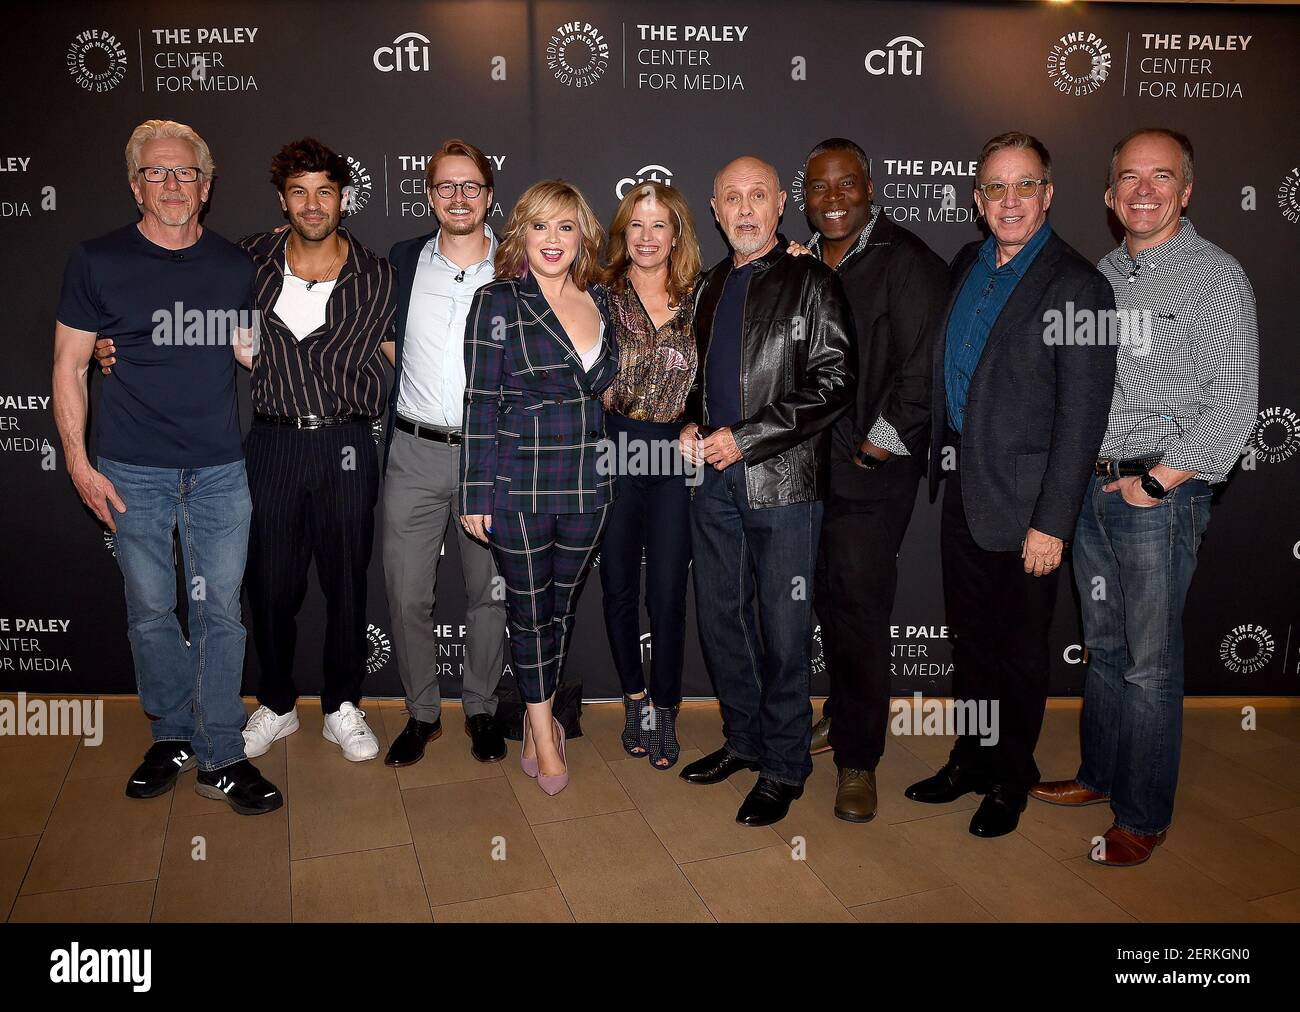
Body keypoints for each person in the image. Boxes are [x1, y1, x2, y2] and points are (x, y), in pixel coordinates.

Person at [97, 138, 398, 763]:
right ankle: (279, 704)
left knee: (346, 583)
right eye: (299, 192)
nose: (312, 205)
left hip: (347, 441)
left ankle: (344, 705)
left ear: (343, 198)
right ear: (281, 199)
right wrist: (112, 345)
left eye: (324, 191)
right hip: (271, 441)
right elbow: (182, 318)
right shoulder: (247, 261)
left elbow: (408, 357)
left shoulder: (378, 273)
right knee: (269, 585)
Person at [1031, 128, 1260, 866]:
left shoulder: (1216, 277)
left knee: (1149, 664)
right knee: (1104, 650)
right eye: (1129, 177)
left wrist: (1160, 481)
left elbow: (1233, 406)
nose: (1144, 189)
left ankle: (1143, 815)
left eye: (1162, 177)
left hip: (1158, 497)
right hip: (1093, 489)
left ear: (1186, 191)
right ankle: (1099, 776)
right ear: (1108, 195)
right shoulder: (1100, 273)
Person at [54, 119, 281, 814]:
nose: (173, 184)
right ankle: (172, 735)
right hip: (130, 470)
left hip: (217, 470)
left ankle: (220, 753)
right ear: (135, 184)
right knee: (152, 610)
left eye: (186, 173)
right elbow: (69, 365)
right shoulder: (96, 260)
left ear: (207, 187)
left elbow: (249, 350)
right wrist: (78, 464)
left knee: (220, 614)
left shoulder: (233, 267)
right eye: (157, 172)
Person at [904, 131, 1118, 838]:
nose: (1010, 200)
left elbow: (1082, 421)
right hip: (965, 484)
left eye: (1024, 185)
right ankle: (969, 756)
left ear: (1048, 195)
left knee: (1022, 651)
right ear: (976, 199)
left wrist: (1052, 522)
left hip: (1029, 503)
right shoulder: (969, 261)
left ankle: (1010, 776)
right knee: (971, 642)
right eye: (995, 187)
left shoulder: (1080, 286)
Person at [678, 156, 855, 828]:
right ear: (716, 209)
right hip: (713, 483)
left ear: (780, 203)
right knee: (721, 619)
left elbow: (836, 384)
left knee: (783, 631)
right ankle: (745, 742)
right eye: (732, 198)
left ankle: (785, 765)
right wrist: (692, 422)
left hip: (784, 484)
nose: (745, 209)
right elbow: (701, 380)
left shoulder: (812, 279)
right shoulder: (710, 284)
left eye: (758, 195)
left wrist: (747, 438)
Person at [802, 138, 948, 823]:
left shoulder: (907, 260)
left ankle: (860, 760)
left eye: (845, 185)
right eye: (819, 187)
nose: (832, 199)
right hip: (810, 468)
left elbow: (925, 369)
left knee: (859, 611)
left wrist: (878, 445)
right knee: (830, 601)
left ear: (869, 185)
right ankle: (841, 713)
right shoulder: (799, 262)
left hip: (870, 469)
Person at [459, 180, 617, 796]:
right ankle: (546, 739)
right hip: (517, 481)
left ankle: (534, 719)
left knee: (561, 609)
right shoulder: (498, 302)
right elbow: (479, 400)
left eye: (566, 227)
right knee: (527, 612)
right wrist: (475, 493)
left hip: (588, 483)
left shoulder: (601, 298)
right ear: (521, 233)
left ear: (584, 236)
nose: (553, 240)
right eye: (540, 226)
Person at [380, 139, 509, 768]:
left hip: (491, 457)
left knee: (489, 593)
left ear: (489, 194)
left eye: (472, 186)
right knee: (407, 595)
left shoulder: (516, 266)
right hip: (414, 450)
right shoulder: (402, 261)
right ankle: (422, 714)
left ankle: (481, 709)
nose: (459, 197)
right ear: (428, 195)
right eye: (445, 186)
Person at [598, 181, 702, 771]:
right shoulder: (598, 294)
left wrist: (695, 419)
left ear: (676, 232)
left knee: (666, 593)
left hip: (672, 457)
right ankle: (633, 699)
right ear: (622, 232)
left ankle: (666, 708)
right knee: (616, 587)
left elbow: (718, 377)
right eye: (636, 225)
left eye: (658, 225)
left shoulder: (700, 297)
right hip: (612, 449)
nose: (646, 237)